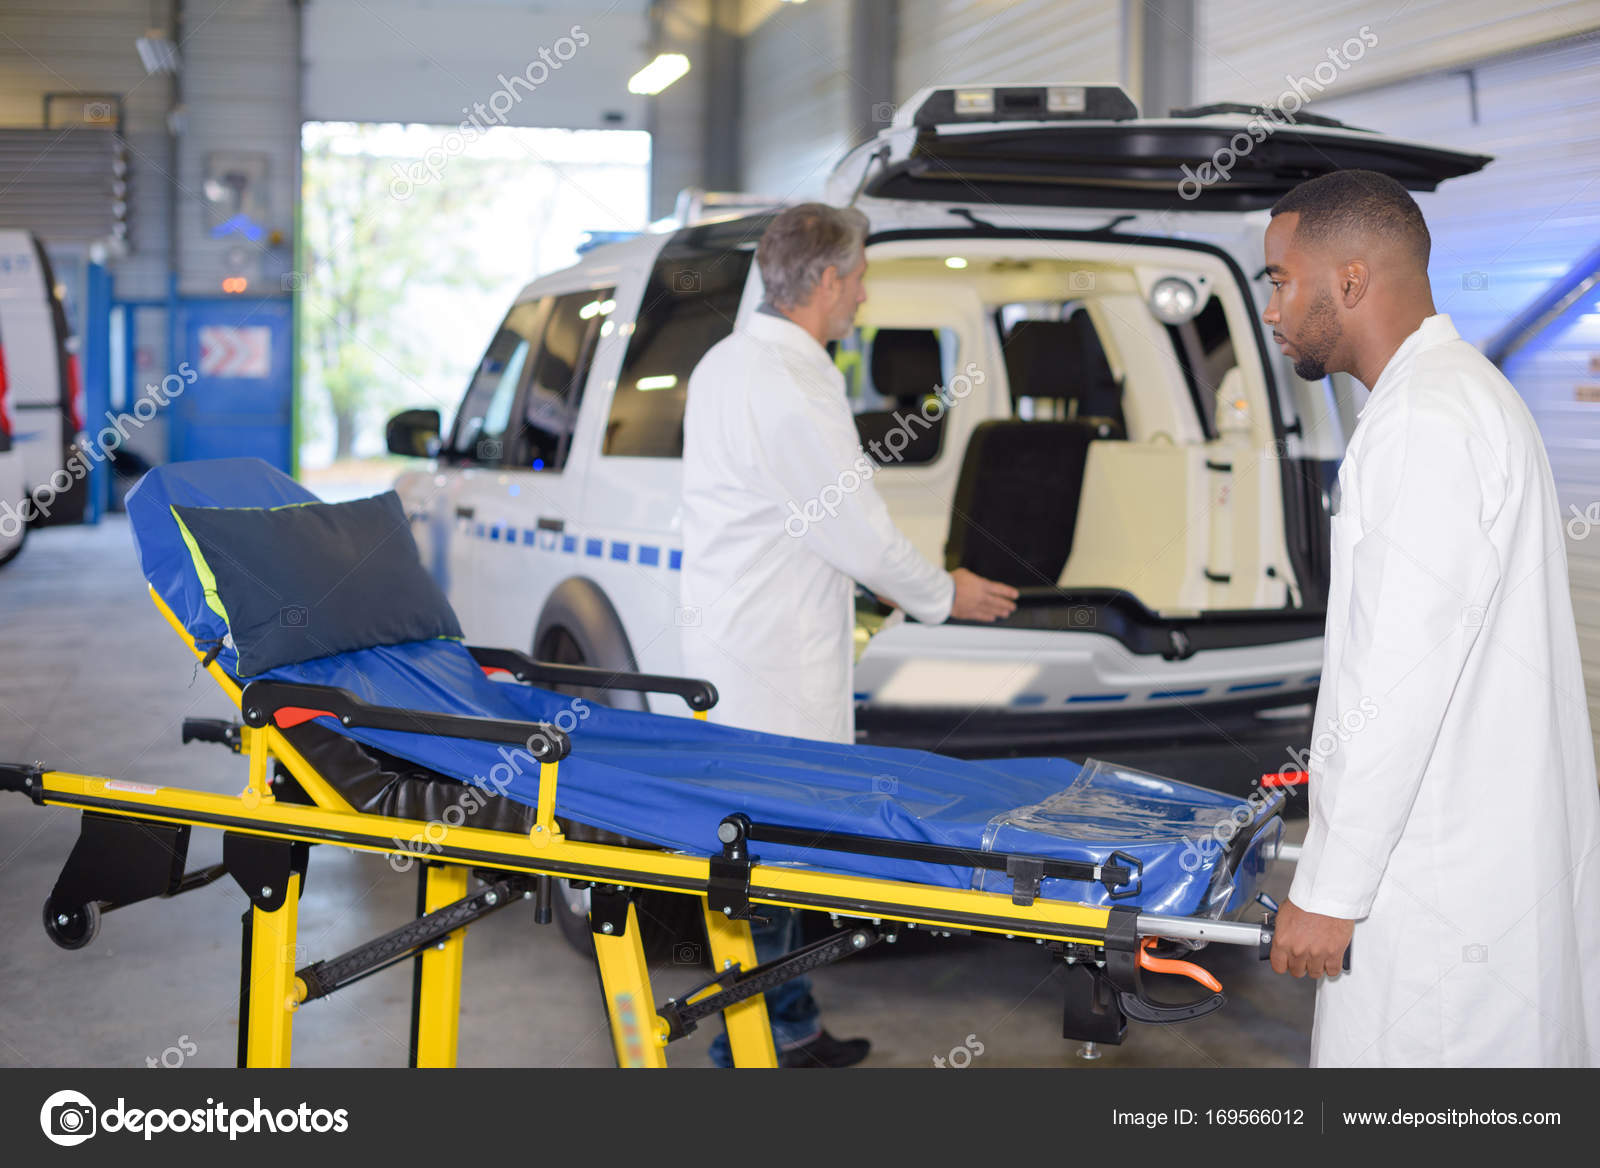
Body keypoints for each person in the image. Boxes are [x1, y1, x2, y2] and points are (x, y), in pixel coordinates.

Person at [1262, 169, 1600, 1066]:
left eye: (1280, 280)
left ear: (1350, 281)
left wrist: (1330, 890)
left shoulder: (1423, 421)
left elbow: (1396, 682)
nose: (1270, 309)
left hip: (1439, 890)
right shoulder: (1461, 391)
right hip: (1478, 860)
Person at [680, 202, 1019, 1067]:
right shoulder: (789, 385)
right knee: (767, 858)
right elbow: (858, 534)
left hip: (743, 644)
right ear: (827, 280)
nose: (864, 295)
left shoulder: (728, 361)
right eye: (860, 278)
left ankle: (789, 1027)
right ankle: (746, 1053)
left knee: (764, 852)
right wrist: (945, 593)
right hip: (772, 662)